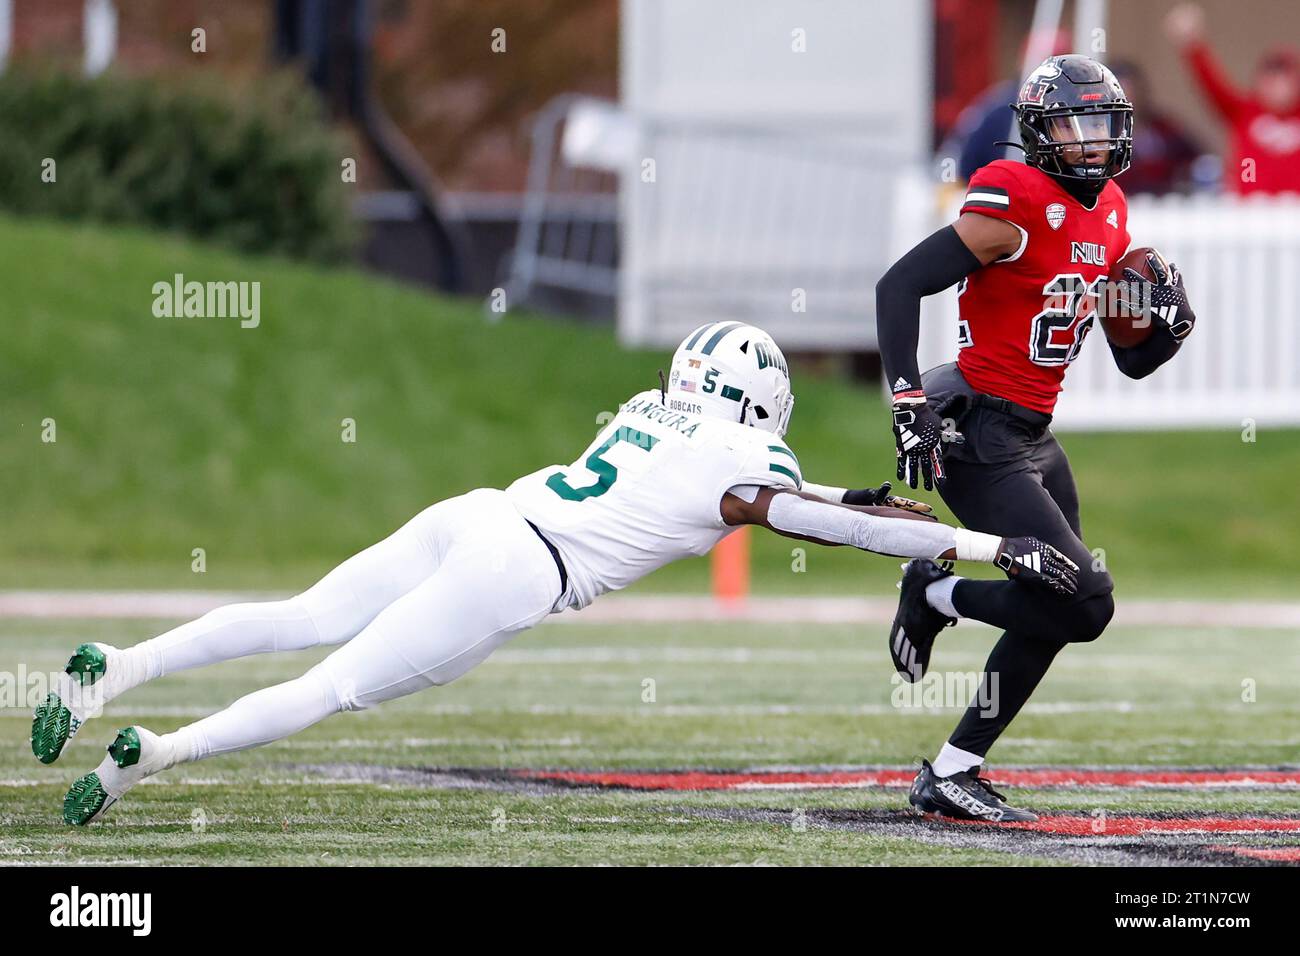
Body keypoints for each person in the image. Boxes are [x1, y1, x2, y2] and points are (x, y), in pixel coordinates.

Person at [35, 322, 1078, 825]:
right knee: (331, 686)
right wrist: (985, 544)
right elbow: (822, 522)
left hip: (484, 508)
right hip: (520, 570)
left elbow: (820, 503)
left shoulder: (647, 407)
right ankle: (150, 755)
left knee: (296, 613)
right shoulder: (747, 457)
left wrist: (871, 504)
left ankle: (116, 668)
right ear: (763, 402)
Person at [876, 55, 1198, 822]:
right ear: (1039, 131)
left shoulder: (1114, 208)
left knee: (1059, 609)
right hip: (976, 427)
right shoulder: (1013, 195)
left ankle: (954, 771)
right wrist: (907, 396)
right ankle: (936, 591)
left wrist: (1164, 328)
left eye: (1102, 128)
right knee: (1084, 601)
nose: (1090, 144)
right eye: (1073, 127)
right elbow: (898, 285)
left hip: (1031, 432)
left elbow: (1130, 357)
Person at [1166, 3, 1300, 194]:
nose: (1277, 86)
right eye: (1270, 76)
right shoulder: (1244, 111)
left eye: (1284, 77)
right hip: (1248, 214)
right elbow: (1211, 84)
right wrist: (1192, 44)